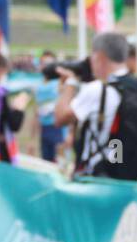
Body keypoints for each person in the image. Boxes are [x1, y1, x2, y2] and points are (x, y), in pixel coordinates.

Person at [53, 31, 129, 176]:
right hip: (125, 169)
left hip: (99, 172)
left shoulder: (96, 90)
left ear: (100, 56)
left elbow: (59, 118)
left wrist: (70, 83)